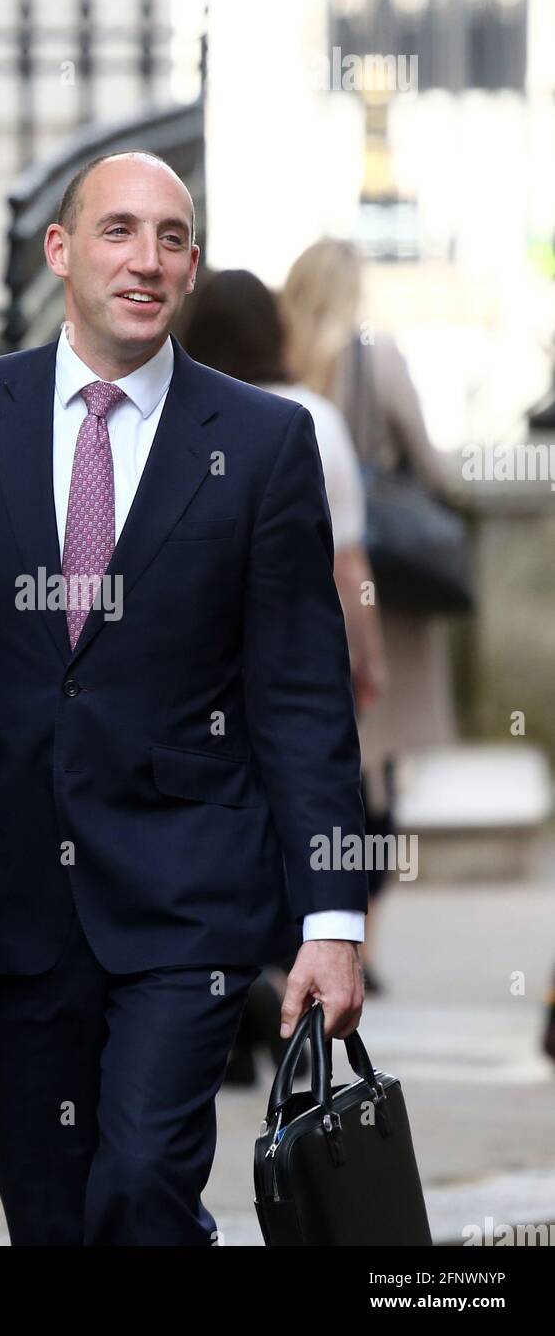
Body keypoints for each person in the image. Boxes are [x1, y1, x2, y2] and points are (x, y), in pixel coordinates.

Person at [0, 152, 367, 1246]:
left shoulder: (263, 443)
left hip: (189, 894)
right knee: (52, 1215)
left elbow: (303, 697)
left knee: (138, 1184)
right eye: (119, 231)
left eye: (172, 238)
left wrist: (333, 918)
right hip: (15, 883)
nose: (148, 258)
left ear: (191, 268)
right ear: (62, 252)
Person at [180, 269, 386, 1080]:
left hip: (206, 686)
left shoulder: (189, 420)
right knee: (288, 817)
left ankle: (234, 1002)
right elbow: (348, 562)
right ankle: (258, 983)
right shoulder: (317, 419)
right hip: (286, 663)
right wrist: (361, 658)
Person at [280, 239, 460, 989]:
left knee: (313, 769)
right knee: (377, 775)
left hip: (294, 584)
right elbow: (428, 458)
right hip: (372, 587)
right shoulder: (373, 355)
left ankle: (309, 933)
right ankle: (364, 943)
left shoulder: (278, 357)